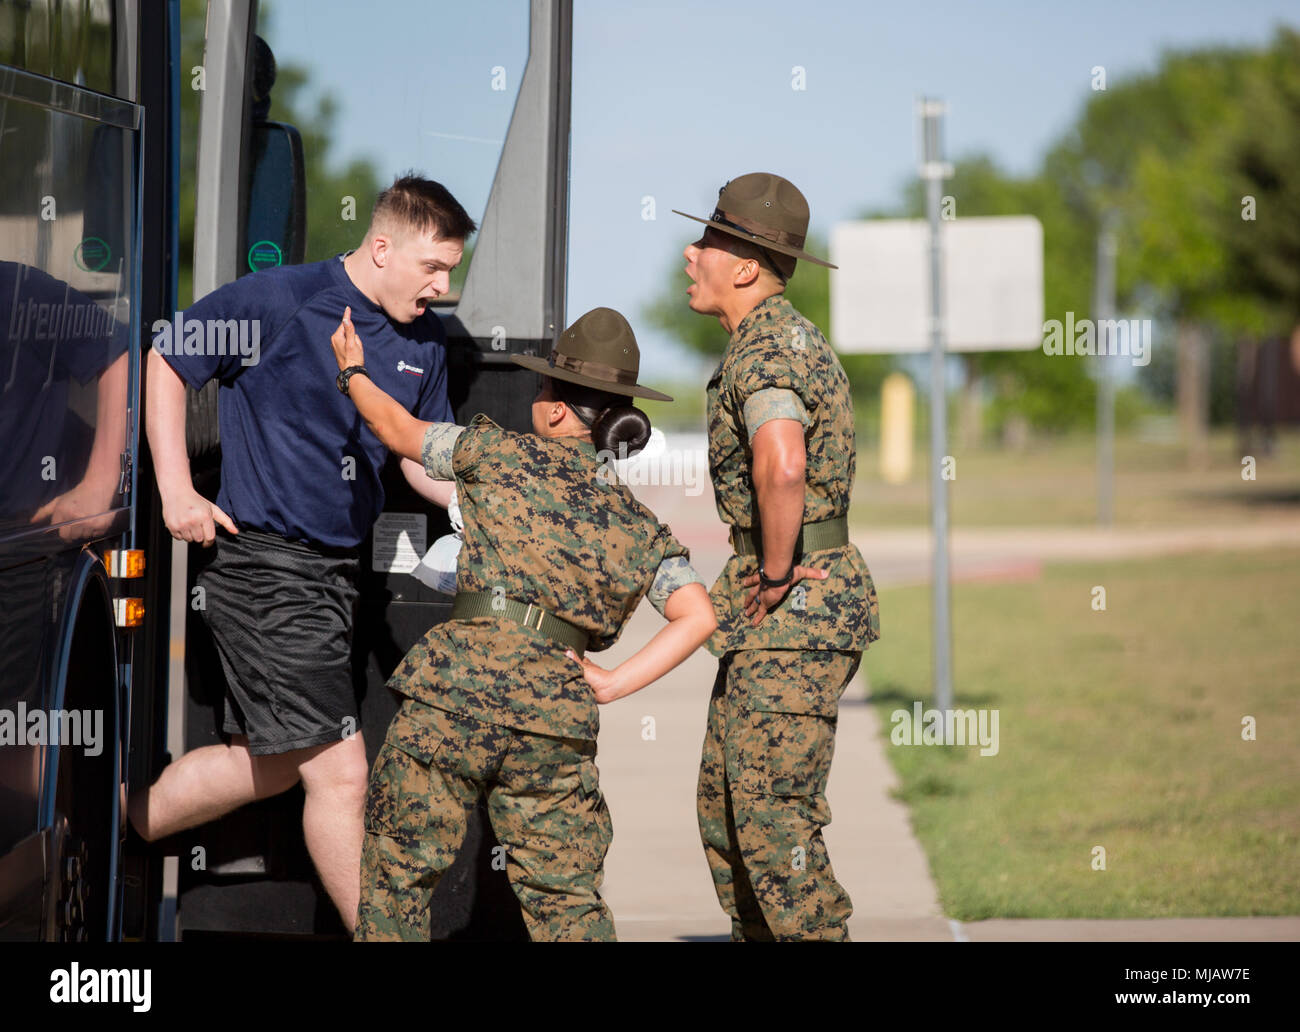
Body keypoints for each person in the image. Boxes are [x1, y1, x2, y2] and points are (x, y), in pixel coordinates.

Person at [129, 175, 475, 930]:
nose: (444, 287)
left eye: (452, 269)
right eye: (433, 267)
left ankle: (133, 819)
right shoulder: (279, 300)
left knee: (274, 761)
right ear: (381, 247)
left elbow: (418, 457)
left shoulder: (425, 343)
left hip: (339, 579)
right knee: (340, 771)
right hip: (263, 567)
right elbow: (167, 357)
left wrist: (481, 506)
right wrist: (176, 489)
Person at [329, 305, 717, 941]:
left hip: (454, 699)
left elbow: (397, 430)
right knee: (567, 904)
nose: (536, 397)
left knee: (398, 880)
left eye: (543, 388)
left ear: (558, 411)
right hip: (554, 720)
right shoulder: (635, 524)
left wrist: (352, 372)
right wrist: (613, 682)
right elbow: (697, 615)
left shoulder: (495, 456)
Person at [673, 172, 881, 941]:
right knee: (730, 813)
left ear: (748, 267)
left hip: (795, 605)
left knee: (771, 824)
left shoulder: (768, 349)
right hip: (783, 606)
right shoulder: (771, 340)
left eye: (710, 241)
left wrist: (773, 572)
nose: (691, 254)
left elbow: (783, 464)